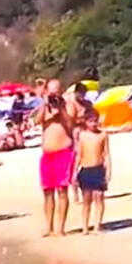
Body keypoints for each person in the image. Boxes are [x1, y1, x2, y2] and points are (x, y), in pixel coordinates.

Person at [36, 78, 76, 236]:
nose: (54, 95)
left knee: (62, 190)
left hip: (63, 152)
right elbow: (36, 121)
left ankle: (61, 227)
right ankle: (49, 226)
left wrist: (61, 110)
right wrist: (46, 105)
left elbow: (70, 126)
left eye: (57, 92)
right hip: (47, 155)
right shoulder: (45, 108)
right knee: (47, 192)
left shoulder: (69, 106)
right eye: (51, 92)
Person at [74, 107, 111, 234]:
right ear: (85, 122)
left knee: (99, 197)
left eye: (95, 121)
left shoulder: (103, 135)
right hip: (85, 169)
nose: (93, 124)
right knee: (86, 200)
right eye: (90, 121)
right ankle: (85, 227)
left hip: (98, 169)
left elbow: (106, 154)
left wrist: (108, 171)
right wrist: (74, 171)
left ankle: (97, 226)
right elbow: (79, 154)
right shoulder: (82, 135)